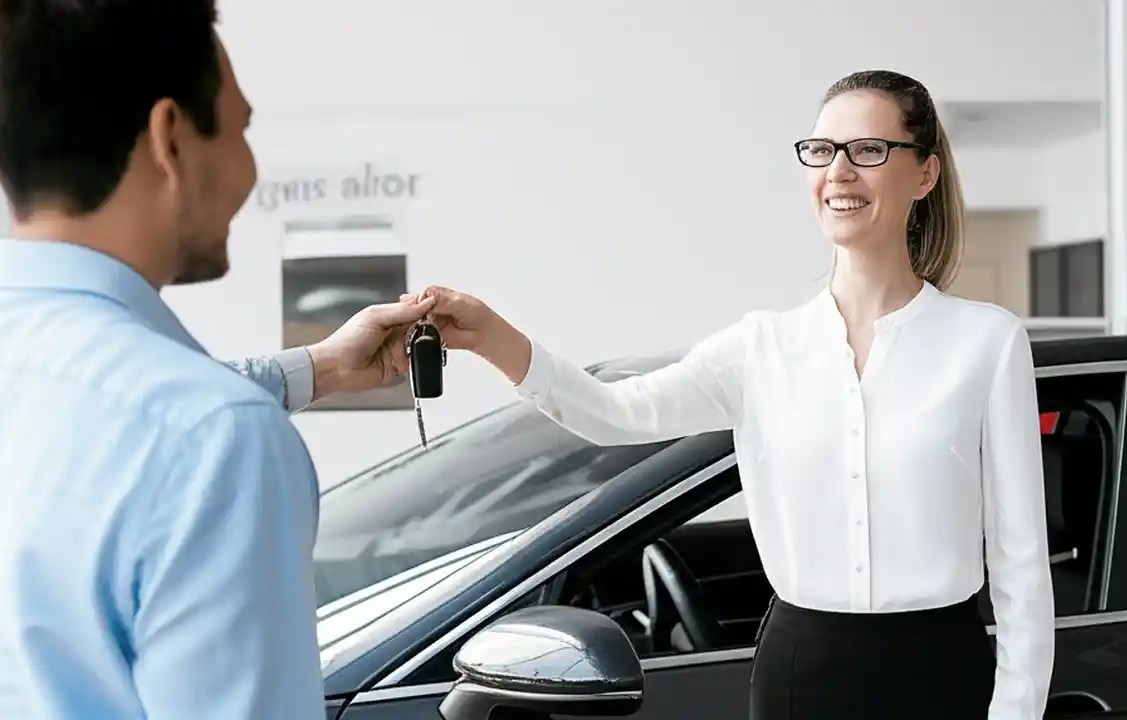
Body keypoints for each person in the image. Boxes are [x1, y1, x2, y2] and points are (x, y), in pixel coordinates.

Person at [408, 69, 1055, 719]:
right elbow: (613, 413)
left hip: (942, 674)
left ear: (924, 174)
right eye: (823, 150)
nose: (839, 171)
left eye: (868, 150)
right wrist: (491, 336)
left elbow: (1021, 563)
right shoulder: (760, 349)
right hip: (801, 672)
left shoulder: (987, 343)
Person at [0, 2, 433, 718]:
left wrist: (323, 368)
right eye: (240, 128)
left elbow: (121, 419)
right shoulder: (217, 442)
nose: (248, 168)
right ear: (169, 138)